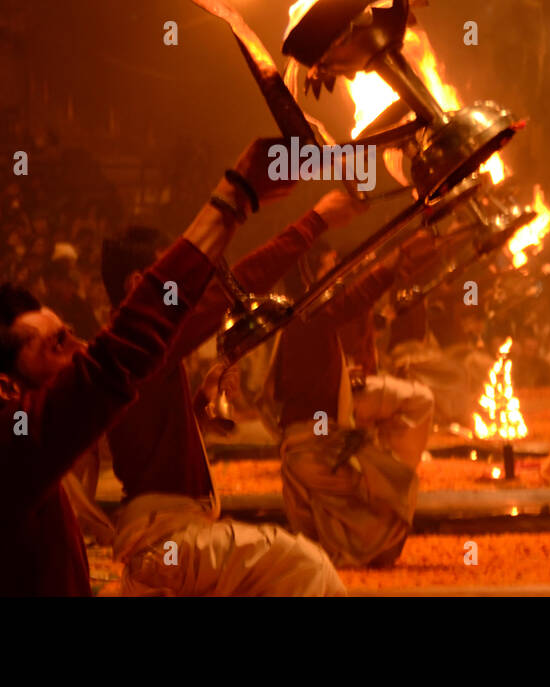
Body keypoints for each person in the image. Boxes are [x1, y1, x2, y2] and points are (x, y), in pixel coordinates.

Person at [0, 139, 289, 596]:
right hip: (162, 528)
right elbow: (114, 360)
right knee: (298, 567)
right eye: (58, 345)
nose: (80, 350)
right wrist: (235, 196)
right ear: (5, 389)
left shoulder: (17, 473)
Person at [101, 189, 366, 596]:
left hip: (171, 541)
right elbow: (238, 283)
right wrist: (317, 220)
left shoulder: (134, 347)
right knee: (304, 564)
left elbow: (147, 443)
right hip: (169, 546)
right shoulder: (141, 340)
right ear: (139, 283)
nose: (185, 287)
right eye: (171, 275)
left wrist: (198, 411)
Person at [273, 233, 434, 568]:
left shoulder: (299, 317)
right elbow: (357, 298)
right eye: (330, 267)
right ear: (309, 274)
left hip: (310, 446)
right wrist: (392, 263)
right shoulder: (309, 314)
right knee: (389, 500)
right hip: (312, 451)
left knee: (322, 544)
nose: (338, 273)